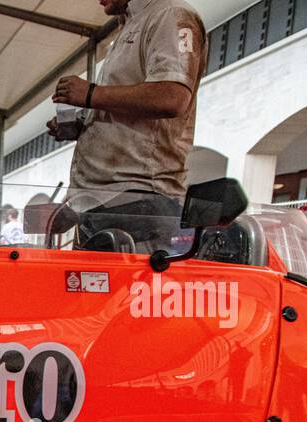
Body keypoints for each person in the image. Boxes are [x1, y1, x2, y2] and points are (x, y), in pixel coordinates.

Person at [48, 0, 207, 246]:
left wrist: (91, 94)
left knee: (124, 284)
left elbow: (172, 97)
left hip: (137, 202)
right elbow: (130, 107)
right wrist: (85, 124)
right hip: (105, 201)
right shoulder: (131, 24)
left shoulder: (170, 14)